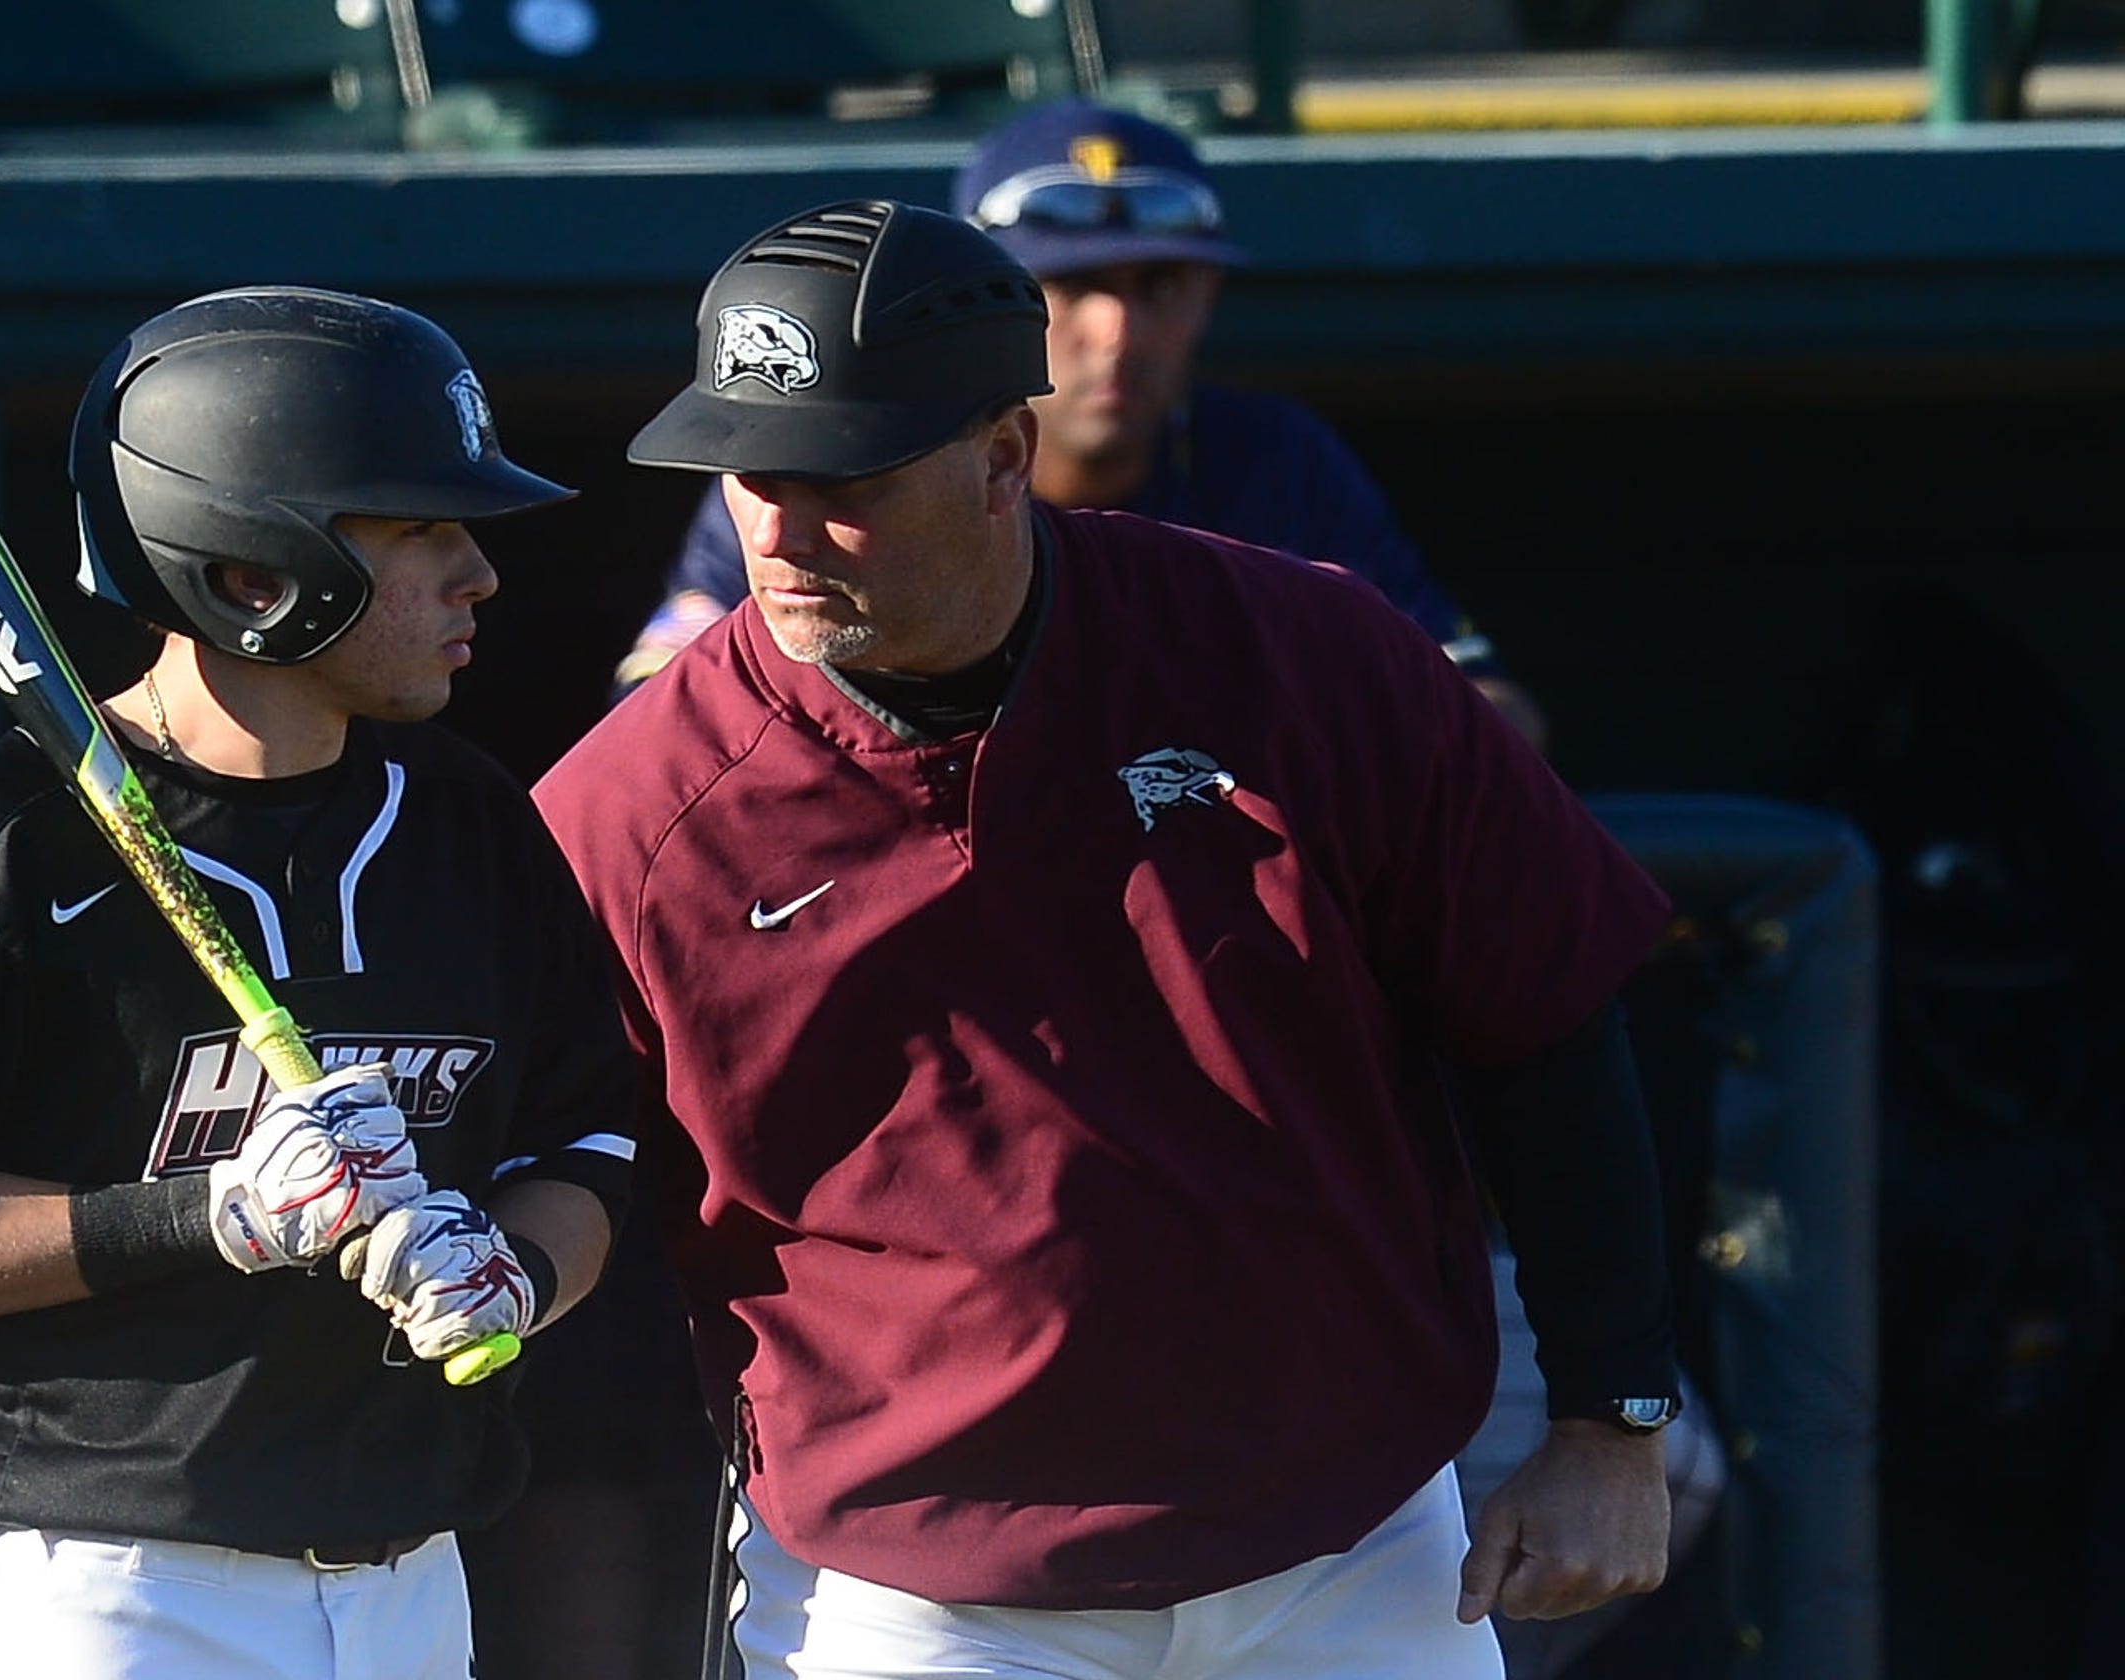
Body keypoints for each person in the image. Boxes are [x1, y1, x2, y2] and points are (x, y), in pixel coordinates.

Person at [534, 199, 1681, 1679]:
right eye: (749, 471)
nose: (781, 526)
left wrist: (1610, 1415)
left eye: (845, 474)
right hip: (918, 1600)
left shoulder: (1295, 648)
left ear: (1006, 454)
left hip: (1352, 1550)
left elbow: (1548, 1007)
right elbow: (556, 1175)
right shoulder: (631, 809)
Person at [0, 287, 636, 1680]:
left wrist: (512, 1268)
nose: (480, 574)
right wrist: (212, 1215)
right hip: (108, 1594)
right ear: (253, 571)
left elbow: (589, 1140)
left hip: (415, 1585)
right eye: (421, 528)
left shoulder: (468, 824)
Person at [608, 99, 1546, 750]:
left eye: (1161, 285)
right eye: (1070, 285)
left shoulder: (1273, 457)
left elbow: (1488, 714)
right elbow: (656, 705)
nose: (1119, 331)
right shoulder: (828, 450)